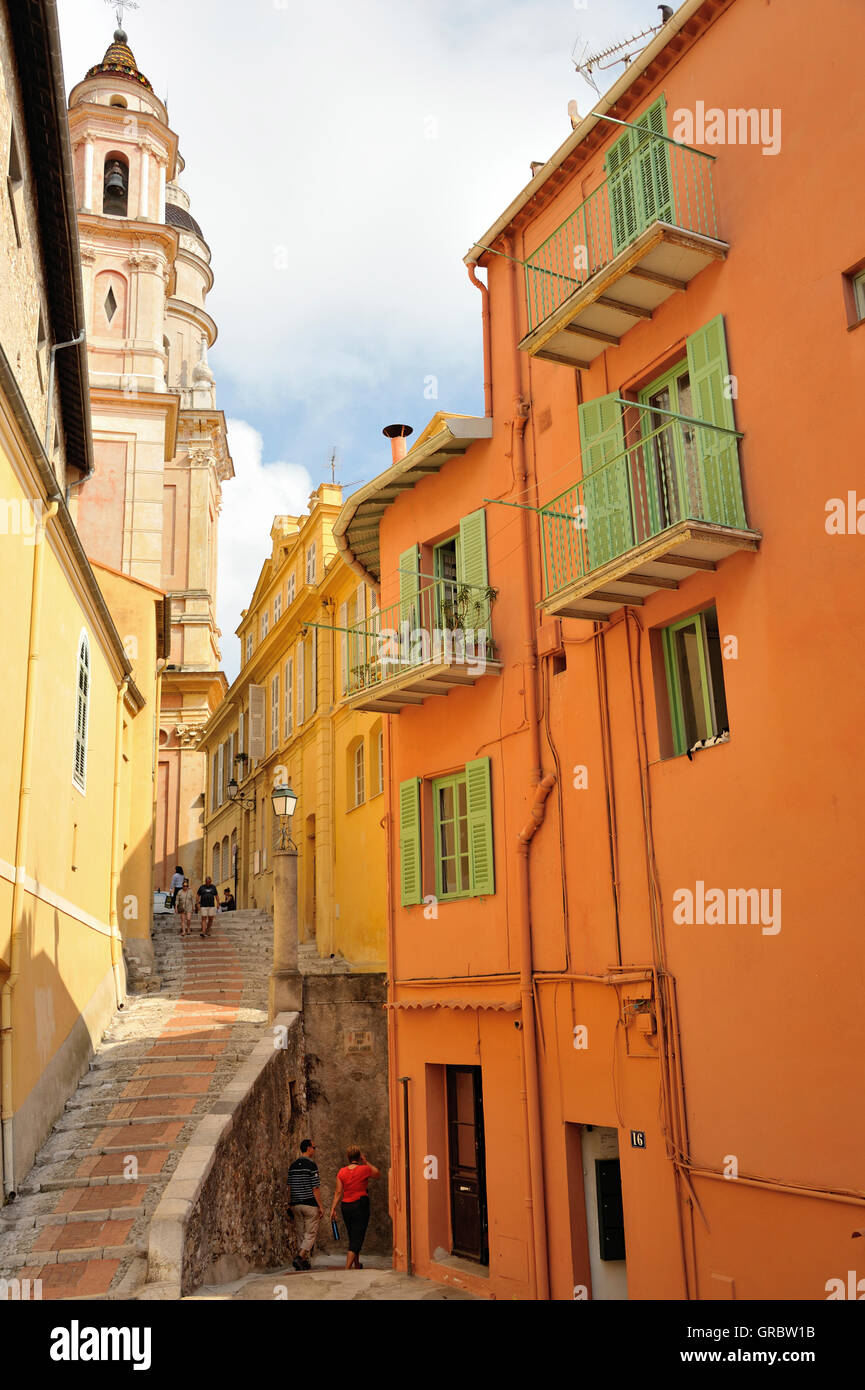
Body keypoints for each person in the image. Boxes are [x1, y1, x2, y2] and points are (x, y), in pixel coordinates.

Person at [330, 1145, 380, 1270]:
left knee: (353, 1236)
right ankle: (347, 1268)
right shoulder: (364, 1169)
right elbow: (377, 1173)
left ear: (348, 1157)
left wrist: (332, 1208)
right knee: (357, 1238)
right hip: (360, 1206)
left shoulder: (341, 1172)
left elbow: (338, 1192)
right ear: (359, 1157)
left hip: (346, 1206)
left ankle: (357, 1265)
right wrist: (366, 1161)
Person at [288, 1139, 324, 1270]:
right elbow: (315, 1188)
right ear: (308, 1148)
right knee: (310, 1234)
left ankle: (302, 1262)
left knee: (300, 1234)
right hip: (309, 1204)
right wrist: (320, 1206)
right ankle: (300, 1256)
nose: (314, 1150)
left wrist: (290, 1204)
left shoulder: (292, 1166)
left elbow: (290, 1187)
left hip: (296, 1204)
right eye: (314, 1147)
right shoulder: (312, 1166)